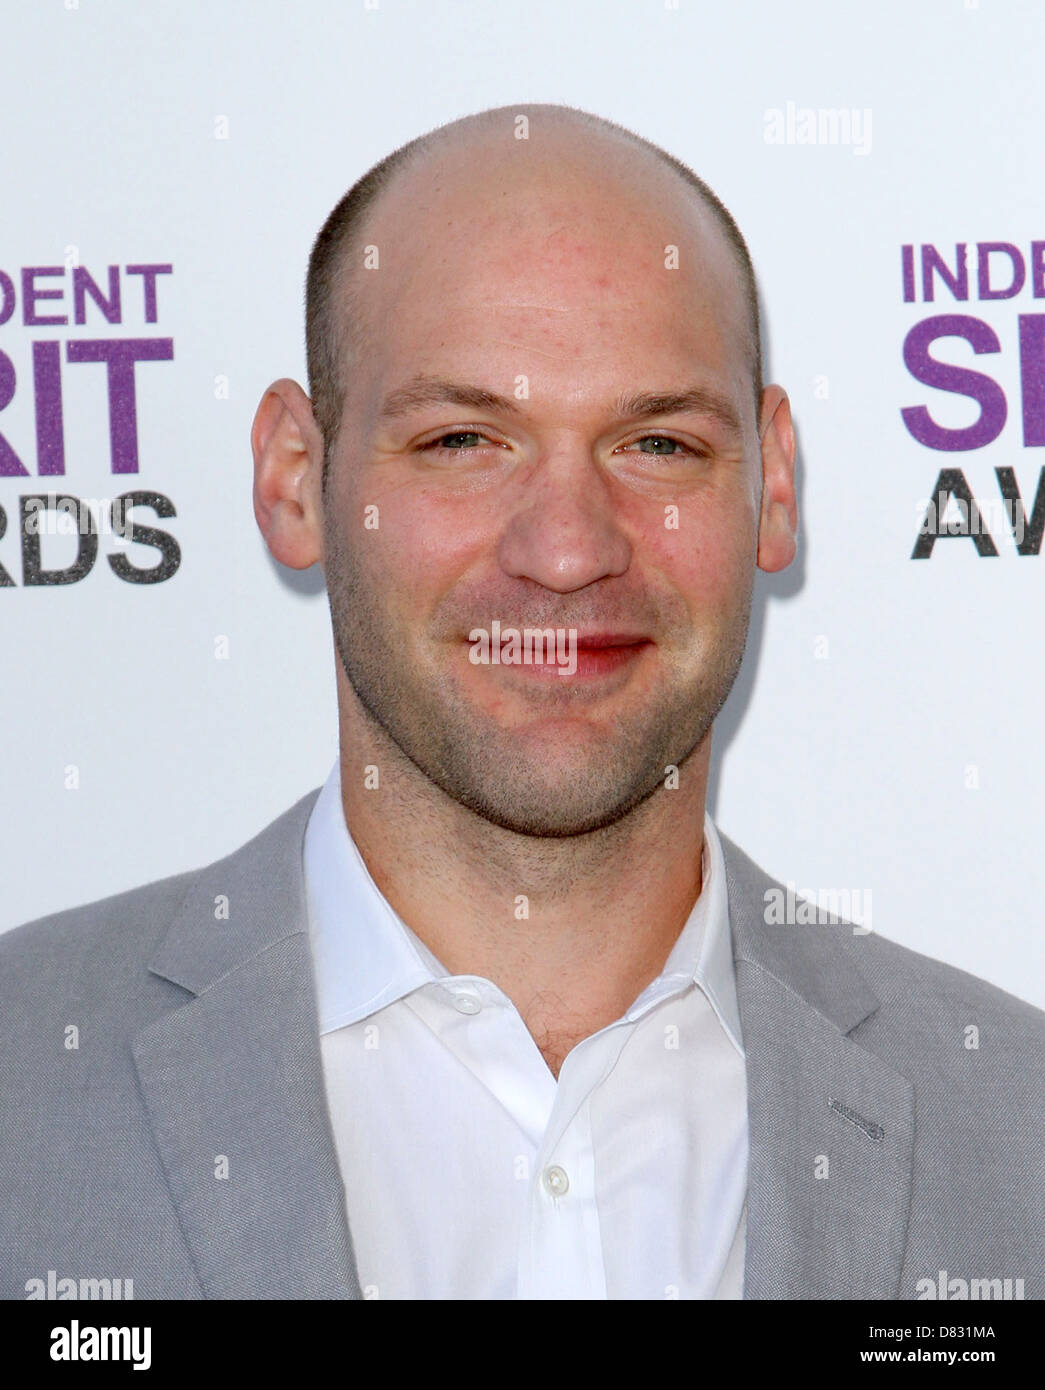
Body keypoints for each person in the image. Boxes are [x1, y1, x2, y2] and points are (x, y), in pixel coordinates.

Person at [2, 104, 1042, 1302]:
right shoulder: (23, 1082)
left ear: (772, 485)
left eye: (656, 444)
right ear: (297, 479)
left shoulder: (1015, 1124)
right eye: (461, 440)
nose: (564, 550)